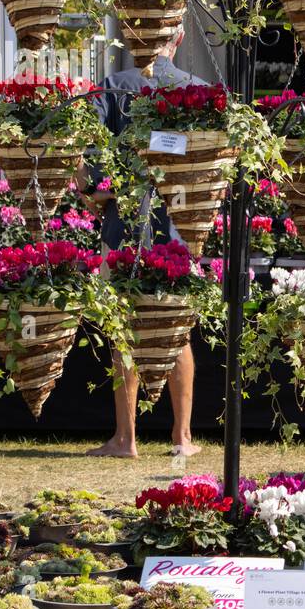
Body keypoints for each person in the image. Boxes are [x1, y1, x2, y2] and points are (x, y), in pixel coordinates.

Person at [82, 27, 200, 459]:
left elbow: (92, 167)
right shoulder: (200, 90)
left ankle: (125, 439)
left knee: (123, 330)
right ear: (181, 37)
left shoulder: (114, 88)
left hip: (123, 227)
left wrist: (98, 193)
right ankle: (182, 438)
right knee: (178, 329)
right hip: (181, 228)